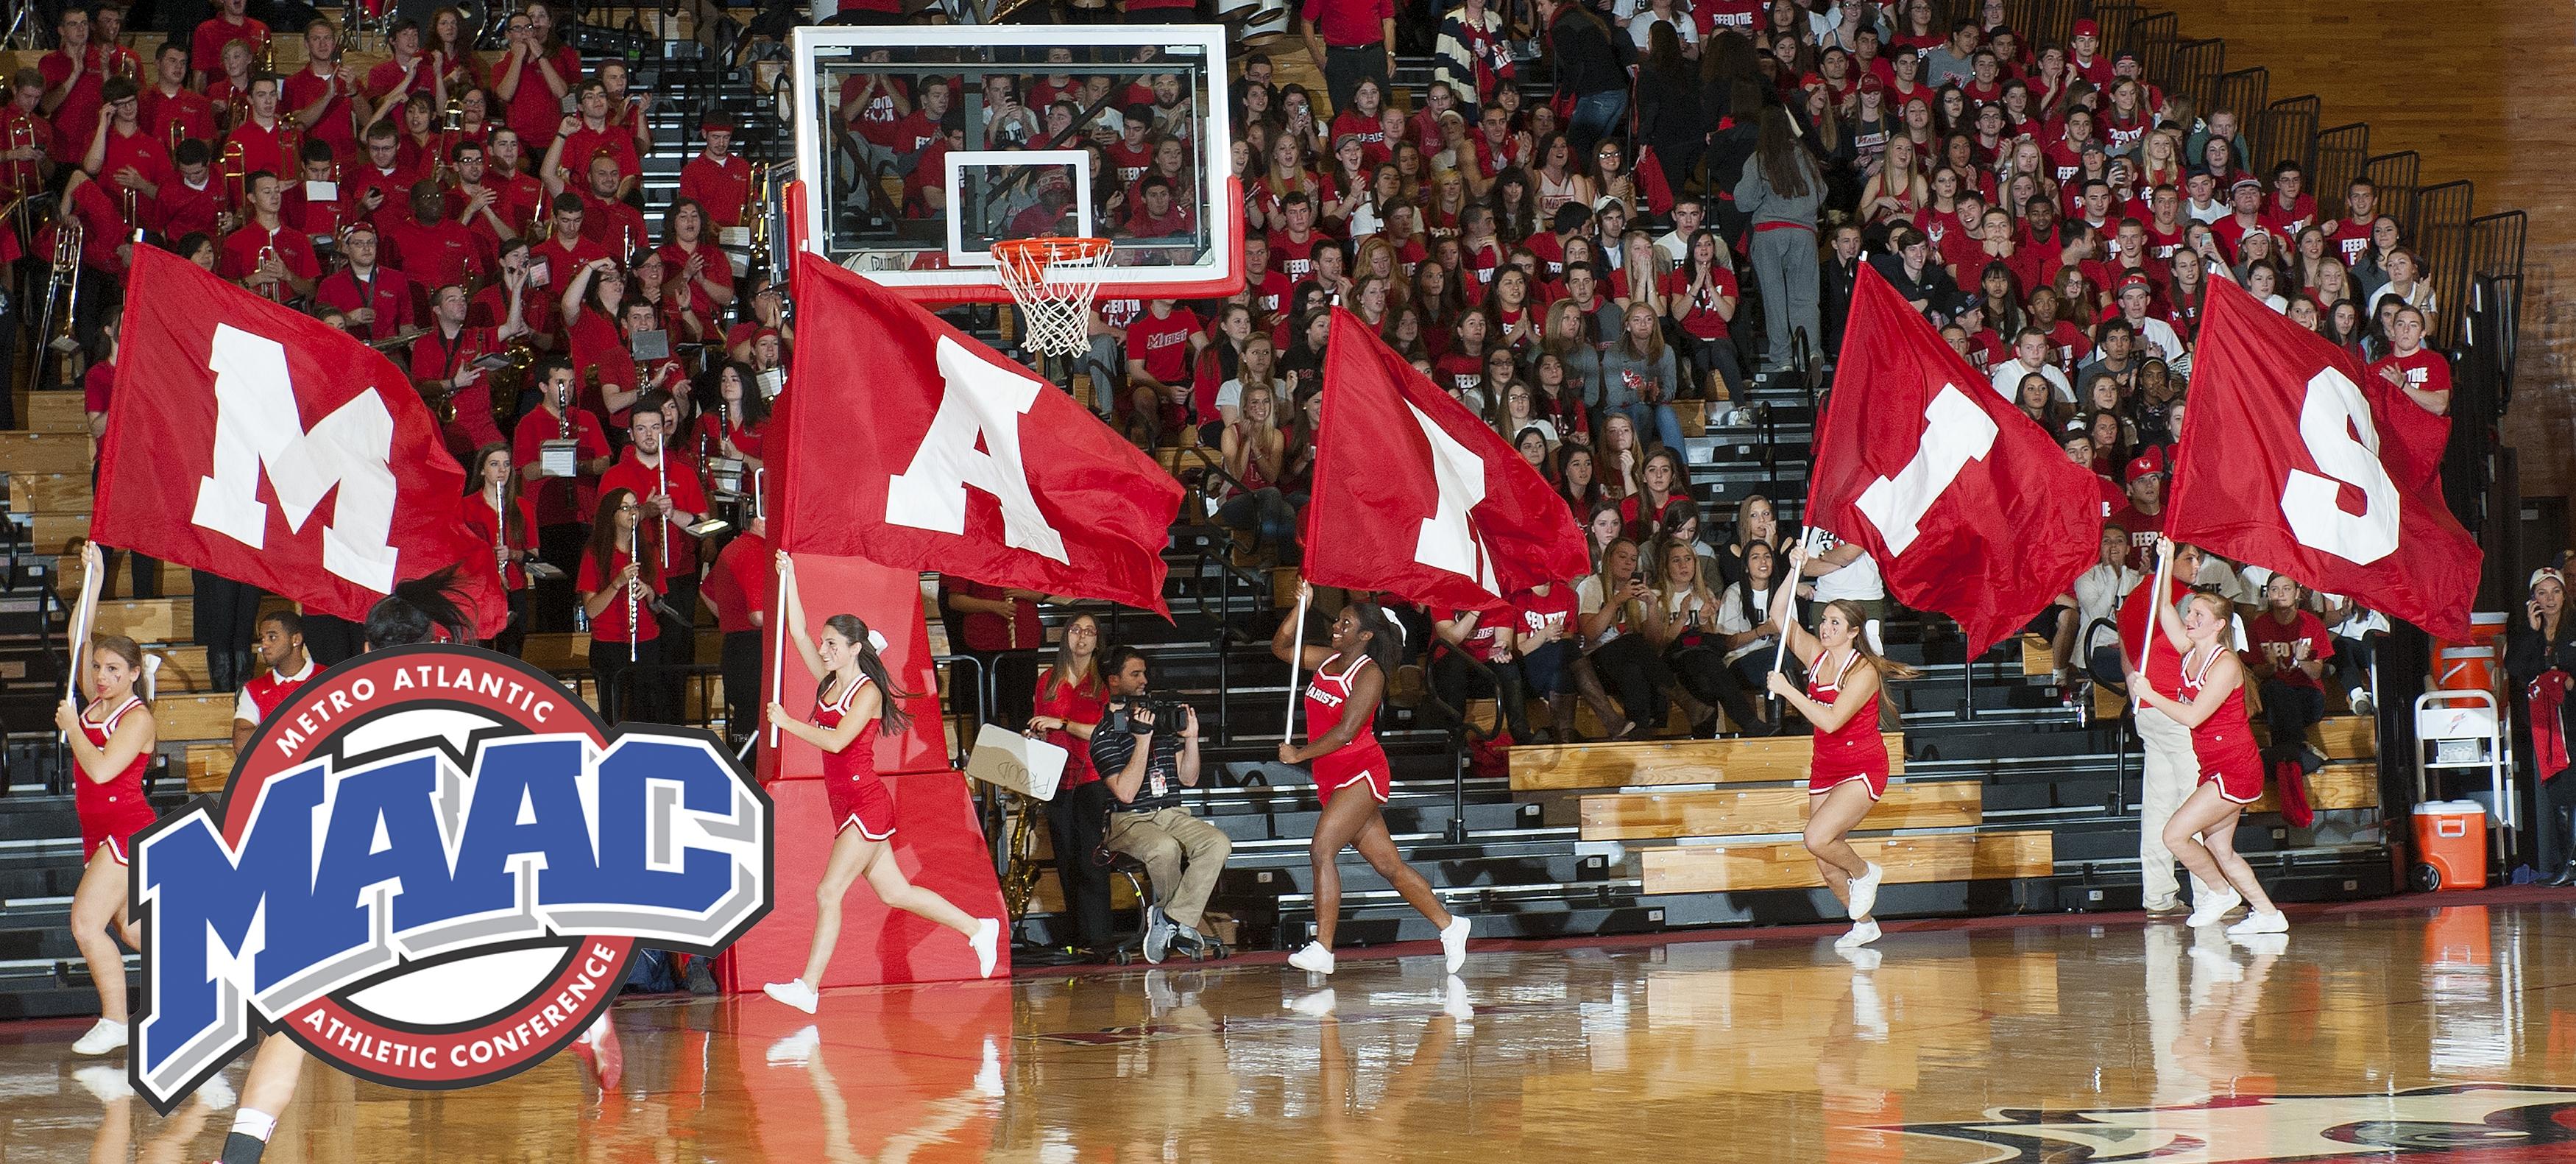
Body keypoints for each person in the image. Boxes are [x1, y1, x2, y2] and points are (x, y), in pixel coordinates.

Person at [761, 552, 1001, 1014]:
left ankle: (808, 988)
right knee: (897, 893)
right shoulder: (829, 683)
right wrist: (788, 578)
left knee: (828, 892)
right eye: (826, 643)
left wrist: (787, 723)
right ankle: (978, 929)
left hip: (865, 803)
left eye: (834, 644)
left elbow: (837, 743)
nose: (826, 649)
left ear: (856, 647)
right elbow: (797, 632)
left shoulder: (867, 691)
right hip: (847, 802)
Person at [1273, 583, 1473, 976]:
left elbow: (1347, 730)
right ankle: (1451, 926)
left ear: (1365, 635)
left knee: (1321, 850)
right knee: (1389, 866)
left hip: (1360, 770)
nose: (1336, 627)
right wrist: (1301, 607)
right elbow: (1281, 648)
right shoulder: (1328, 659)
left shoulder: (1371, 673)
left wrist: (1298, 754)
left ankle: (1324, 948)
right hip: (1331, 775)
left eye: (1345, 623)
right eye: (1337, 620)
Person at [1761, 542, 1919, 950]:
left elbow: (1831, 719)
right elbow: (1779, 616)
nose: (1825, 627)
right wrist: (1793, 571)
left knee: (1816, 838)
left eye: (1834, 622)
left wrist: (1788, 691)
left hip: (1863, 764)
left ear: (1853, 632)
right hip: (1826, 764)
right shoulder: (1816, 657)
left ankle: (1866, 873)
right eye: (1824, 620)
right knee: (1825, 863)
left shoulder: (1863, 669)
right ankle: (1865, 924)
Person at [2128, 551, 2289, 936]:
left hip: (2235, 768)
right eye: (2191, 613)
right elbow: (2162, 604)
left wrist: (2150, 692)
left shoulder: (2226, 664)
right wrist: (2164, 560)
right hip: (2214, 764)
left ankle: (2220, 893)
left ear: (2218, 626)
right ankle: (2269, 914)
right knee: (2222, 850)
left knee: (2174, 835)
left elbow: (2192, 717)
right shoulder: (2189, 653)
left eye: (2199, 615)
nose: (2190, 618)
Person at [57, 554, 157, 1058]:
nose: (101, 675)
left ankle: (117, 1019)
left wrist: (72, 727)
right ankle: (212, 980)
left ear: (135, 674)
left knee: (85, 923)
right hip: (99, 830)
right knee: (132, 930)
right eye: (97, 667)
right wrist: (93, 579)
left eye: (114, 669)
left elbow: (100, 770)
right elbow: (81, 632)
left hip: (128, 829)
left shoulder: (137, 719)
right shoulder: (96, 703)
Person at [1089, 645, 1231, 963]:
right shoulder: (1105, 734)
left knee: (1218, 842)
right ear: (1113, 680)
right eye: (1134, 674)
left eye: (1144, 674)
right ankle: (1179, 924)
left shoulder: (1161, 725)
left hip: (1171, 812)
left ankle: (1170, 921)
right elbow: (1125, 793)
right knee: (1164, 848)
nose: (1143, 680)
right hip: (1128, 820)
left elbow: (1189, 778)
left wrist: (1192, 739)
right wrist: (1142, 742)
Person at [1026, 613, 1114, 954]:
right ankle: (1077, 935)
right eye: (1076, 630)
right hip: (1056, 775)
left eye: (1089, 632)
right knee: (1066, 858)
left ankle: (1099, 937)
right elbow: (1041, 724)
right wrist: (1035, 732)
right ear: (1065, 637)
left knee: (1091, 857)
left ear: (1097, 641)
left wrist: (1061, 723)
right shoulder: (1048, 680)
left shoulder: (1102, 682)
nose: (1082, 638)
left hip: (1093, 774)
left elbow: (1104, 732)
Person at [1735, 106, 1823, 375]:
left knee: (1775, 299)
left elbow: (1743, 201)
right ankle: (1810, 352)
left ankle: (1783, 358)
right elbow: (1821, 192)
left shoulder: (1759, 159)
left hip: (1769, 232)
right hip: (1803, 234)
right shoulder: (1804, 156)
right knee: (1806, 298)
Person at [2505, 568, 2575, 885]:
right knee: (2559, 793)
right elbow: (2519, 670)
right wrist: (2534, 632)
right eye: (2543, 593)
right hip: (2546, 725)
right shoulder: (2525, 633)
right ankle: (2568, 863)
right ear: (2533, 598)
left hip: (2573, 718)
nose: (2550, 600)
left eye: (2555, 592)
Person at [2243, 573, 2332, 780]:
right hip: (2273, 697)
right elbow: (2256, 671)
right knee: (2275, 688)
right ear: (2268, 595)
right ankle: (2298, 748)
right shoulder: (2258, 626)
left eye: (2286, 589)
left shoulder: (2312, 624)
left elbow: (2317, 672)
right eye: (2274, 590)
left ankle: (2285, 754)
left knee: (2282, 696)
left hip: (2307, 695)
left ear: (2298, 593)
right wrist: (2271, 666)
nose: (2280, 594)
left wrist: (2302, 661)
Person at [230, 610, 314, 754]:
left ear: (296, 639)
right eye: (262, 639)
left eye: (272, 637)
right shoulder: (254, 688)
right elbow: (241, 743)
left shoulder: (328, 678)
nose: (264, 645)